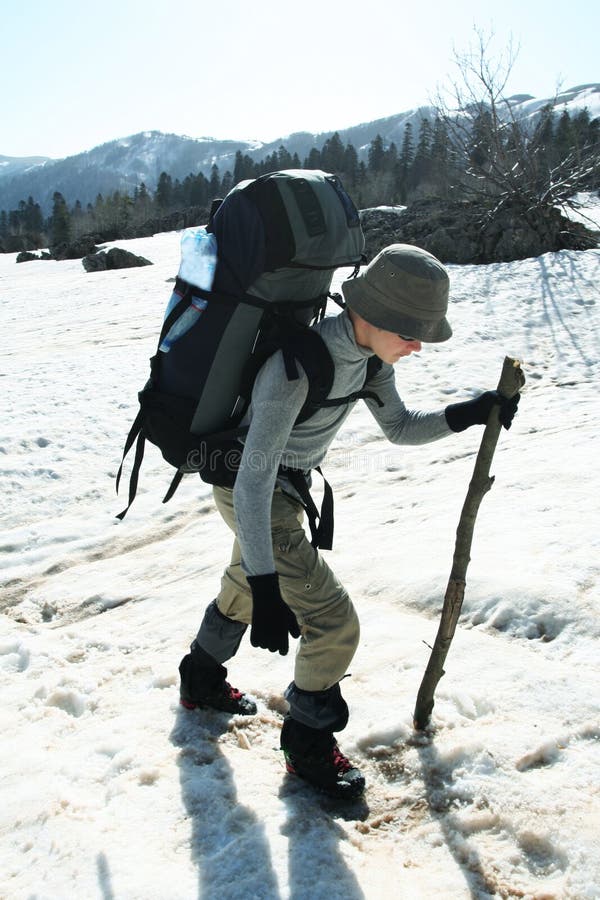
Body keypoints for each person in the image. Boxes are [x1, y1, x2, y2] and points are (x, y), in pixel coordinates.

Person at [178, 243, 518, 798]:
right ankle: (307, 747)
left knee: (243, 584)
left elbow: (401, 427)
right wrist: (271, 588)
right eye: (411, 332)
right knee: (334, 623)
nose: (416, 345)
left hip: (277, 492)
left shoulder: (370, 361)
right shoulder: (296, 368)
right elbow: (253, 481)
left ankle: (200, 680)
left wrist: (469, 413)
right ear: (374, 315)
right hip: (254, 492)